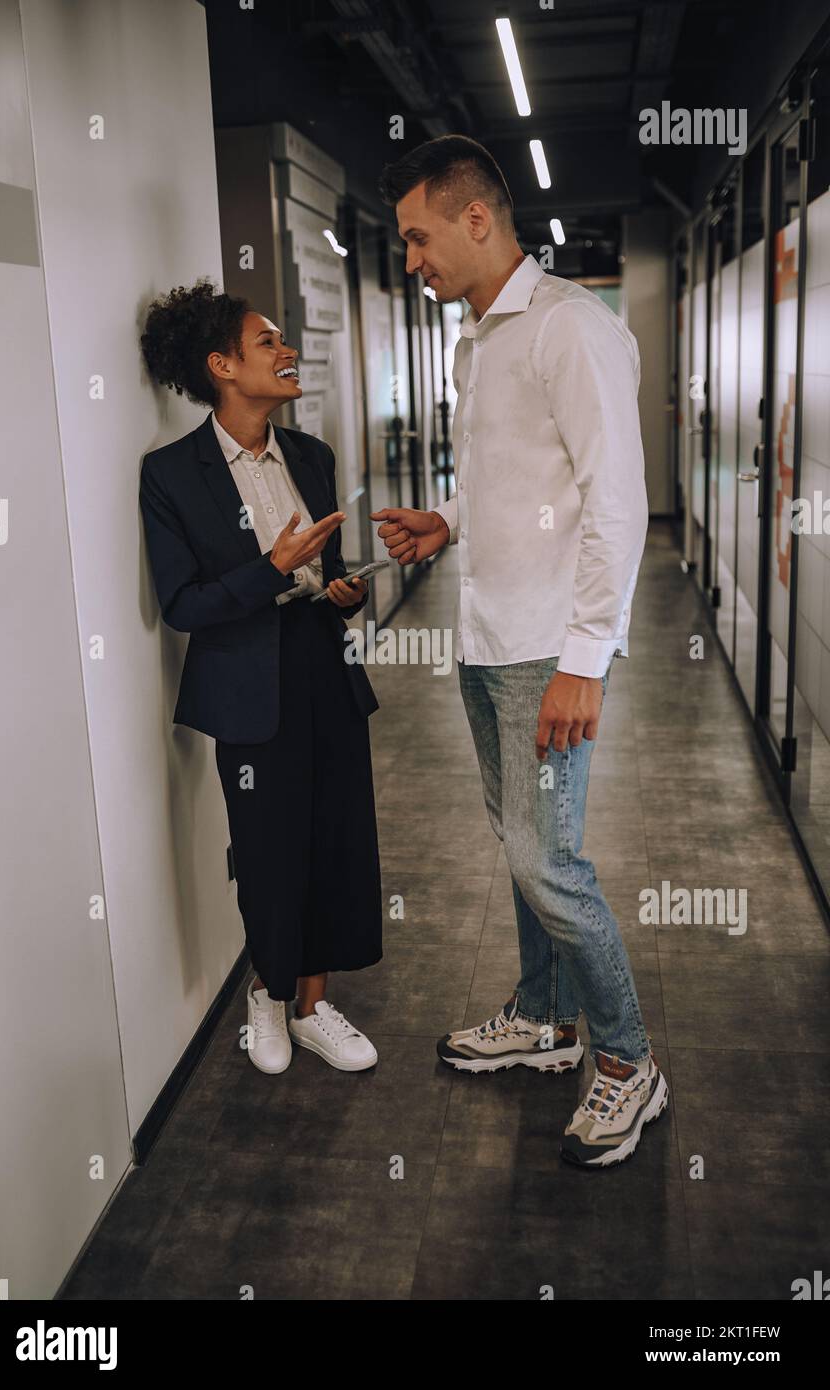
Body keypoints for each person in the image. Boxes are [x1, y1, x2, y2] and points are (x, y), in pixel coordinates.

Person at [372, 136, 668, 1168]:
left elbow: (614, 499)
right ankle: (546, 1020)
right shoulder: (477, 341)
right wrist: (451, 518)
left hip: (549, 645)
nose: (412, 260)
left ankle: (628, 1062)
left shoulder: (569, 330)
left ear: (475, 218)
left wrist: (588, 654)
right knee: (519, 847)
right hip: (489, 633)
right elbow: (511, 474)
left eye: (417, 238)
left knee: (550, 862)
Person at [138, 279, 382, 1076]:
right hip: (249, 683)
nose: (287, 353)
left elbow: (333, 571)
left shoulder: (310, 454)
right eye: (268, 342)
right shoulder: (171, 474)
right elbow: (183, 605)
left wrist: (347, 588)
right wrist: (270, 567)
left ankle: (313, 1004)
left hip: (324, 666)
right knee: (270, 848)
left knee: (336, 840)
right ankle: (267, 991)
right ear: (222, 367)